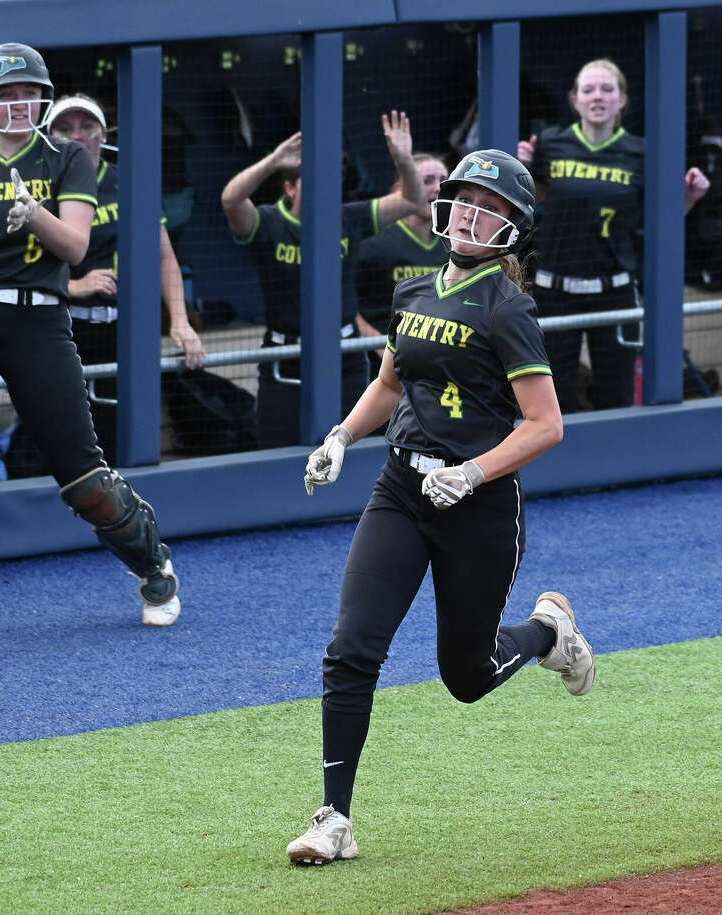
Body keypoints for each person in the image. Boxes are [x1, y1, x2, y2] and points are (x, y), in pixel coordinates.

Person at [286, 150, 596, 866]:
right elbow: (392, 383)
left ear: (513, 229)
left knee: (467, 676)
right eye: (463, 198)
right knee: (351, 647)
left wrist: (474, 472)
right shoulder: (415, 291)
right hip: (401, 488)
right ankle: (335, 818)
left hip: (478, 508)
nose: (469, 212)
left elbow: (546, 423)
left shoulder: (508, 309)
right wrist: (340, 434)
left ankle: (548, 632)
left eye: (490, 206)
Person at [0, 42, 183, 648]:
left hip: (38, 319)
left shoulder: (67, 156)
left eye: (26, 92)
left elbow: (74, 247)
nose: (16, 103)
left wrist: (32, 213)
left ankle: (155, 570)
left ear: (41, 99)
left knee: (81, 477)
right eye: (4, 93)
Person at [220, 114, 425, 448]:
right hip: (284, 358)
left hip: (344, 356)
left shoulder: (347, 217)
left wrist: (403, 160)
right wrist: (274, 161)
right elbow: (231, 199)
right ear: (289, 187)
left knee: (350, 450)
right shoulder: (270, 222)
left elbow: (413, 201)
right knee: (278, 452)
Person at [518, 58, 710, 413]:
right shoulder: (549, 144)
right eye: (588, 89)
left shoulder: (642, 152)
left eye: (608, 89)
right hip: (553, 291)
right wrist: (522, 168)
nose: (598, 97)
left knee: (617, 395)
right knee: (550, 401)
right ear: (574, 99)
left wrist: (689, 196)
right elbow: (528, 203)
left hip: (614, 291)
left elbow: (662, 221)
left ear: (622, 100)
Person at [43, 93, 205, 467]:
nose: (77, 135)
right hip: (66, 332)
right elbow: (19, 268)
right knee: (68, 442)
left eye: (87, 127)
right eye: (64, 129)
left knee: (128, 443)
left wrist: (179, 320)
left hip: (128, 333)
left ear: (103, 134)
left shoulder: (129, 183)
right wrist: (74, 286)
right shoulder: (40, 189)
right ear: (49, 137)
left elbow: (163, 256)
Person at [355, 152, 450, 380]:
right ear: (400, 188)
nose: (437, 188)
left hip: (440, 364)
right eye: (426, 181)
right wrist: (381, 348)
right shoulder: (372, 244)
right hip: (383, 368)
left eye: (443, 181)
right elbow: (346, 308)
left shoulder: (455, 244)